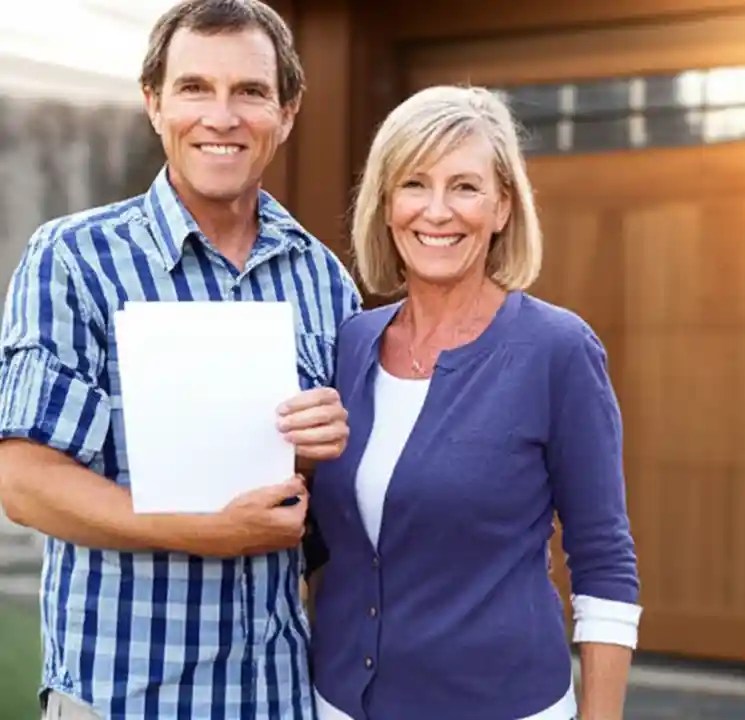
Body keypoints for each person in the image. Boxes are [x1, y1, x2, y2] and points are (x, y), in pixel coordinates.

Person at [0, 1, 360, 718]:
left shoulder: (326, 281)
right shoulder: (73, 260)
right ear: (153, 103)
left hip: (275, 696)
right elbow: (23, 481)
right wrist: (205, 532)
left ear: (287, 112)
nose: (221, 117)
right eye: (195, 88)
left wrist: (322, 457)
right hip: (123, 697)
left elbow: (338, 504)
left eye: (250, 92)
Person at [306, 85, 641, 720]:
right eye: (414, 184)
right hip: (340, 706)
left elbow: (604, 559)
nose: (437, 212)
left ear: (503, 207)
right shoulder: (350, 344)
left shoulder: (556, 350)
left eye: (464, 187)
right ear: (385, 202)